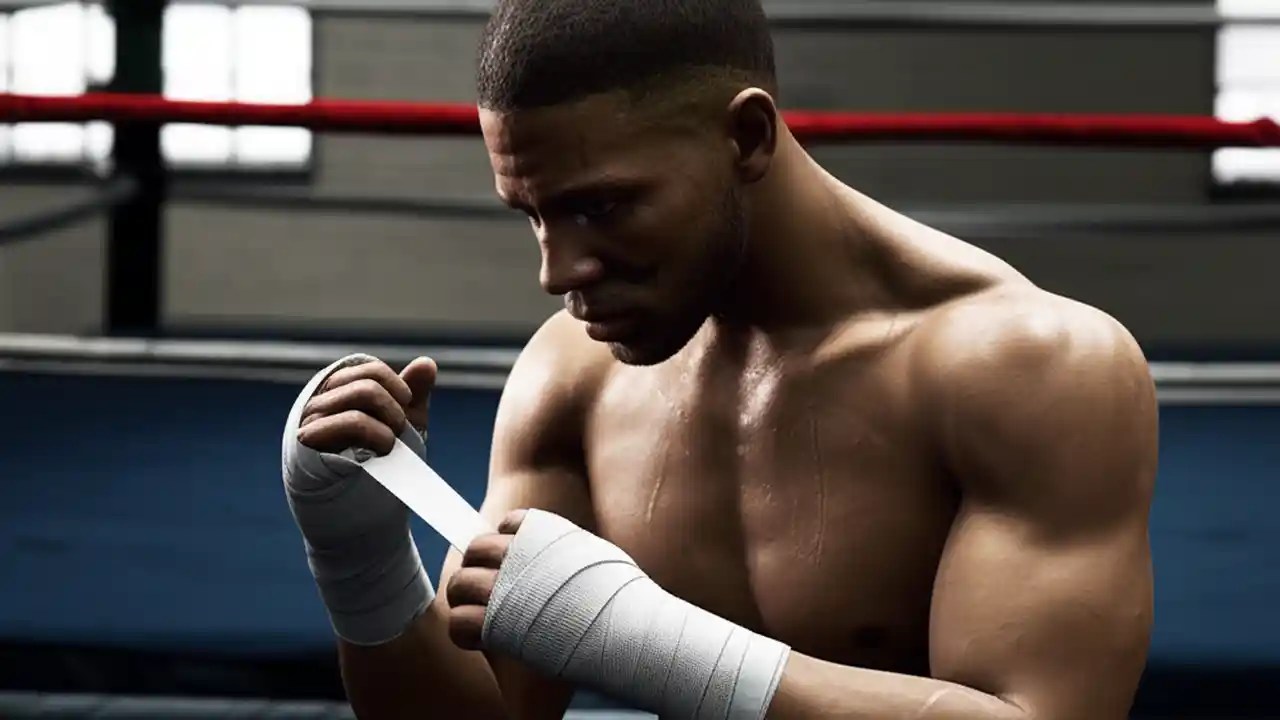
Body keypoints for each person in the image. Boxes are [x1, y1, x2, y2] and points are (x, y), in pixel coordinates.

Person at [281, 0, 1158, 718]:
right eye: (534, 214)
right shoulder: (572, 379)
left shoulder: (1027, 369)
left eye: (603, 206)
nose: (557, 273)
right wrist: (363, 563)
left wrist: (662, 649)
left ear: (745, 139)